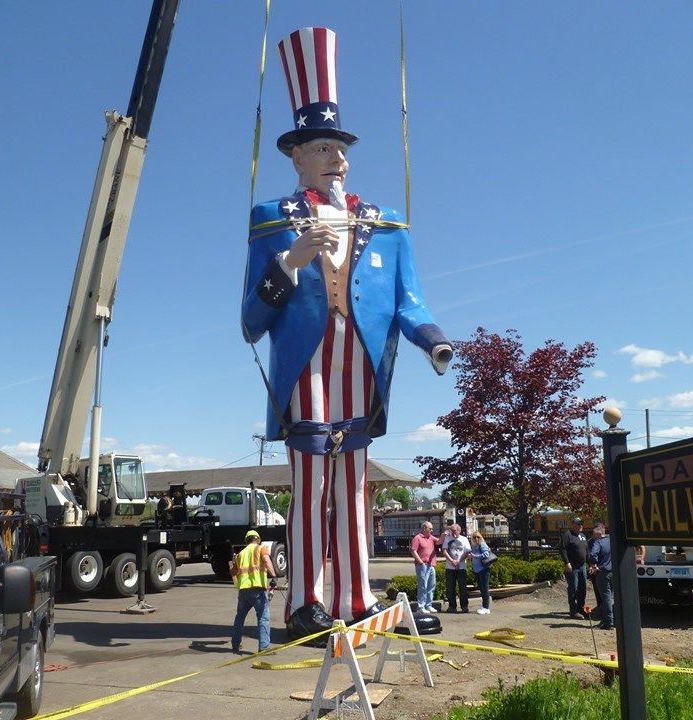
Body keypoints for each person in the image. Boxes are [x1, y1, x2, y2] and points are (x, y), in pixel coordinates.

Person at [241, 27, 453, 641]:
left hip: (359, 370)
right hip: (305, 372)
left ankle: (357, 597)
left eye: (341, 147)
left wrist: (433, 339)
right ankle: (304, 602)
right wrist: (290, 262)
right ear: (297, 157)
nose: (338, 159)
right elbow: (251, 321)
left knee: (355, 489)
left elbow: (410, 299)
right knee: (309, 489)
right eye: (324, 147)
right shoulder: (272, 221)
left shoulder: (385, 223)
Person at [231, 529, 278, 654]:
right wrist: (274, 576)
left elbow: (233, 572)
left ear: (247, 540)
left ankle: (235, 644)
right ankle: (264, 647)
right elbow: (267, 561)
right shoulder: (261, 549)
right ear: (257, 539)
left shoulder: (240, 554)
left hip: (243, 591)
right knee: (263, 618)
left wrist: (233, 562)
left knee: (239, 618)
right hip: (258, 590)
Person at [557, 517, 588, 619]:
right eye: (578, 524)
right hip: (573, 566)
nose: (580, 526)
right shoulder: (568, 535)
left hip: (582, 566)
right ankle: (573, 611)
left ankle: (580, 609)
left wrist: (591, 563)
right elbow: (562, 549)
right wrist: (567, 563)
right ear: (573, 525)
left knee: (582, 588)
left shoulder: (583, 536)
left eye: (581, 524)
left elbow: (586, 551)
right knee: (573, 588)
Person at [588, 523, 613, 630]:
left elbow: (593, 554)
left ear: (598, 534)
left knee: (606, 597)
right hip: (613, 572)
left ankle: (608, 622)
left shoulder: (598, 542)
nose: (593, 537)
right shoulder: (611, 540)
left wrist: (594, 566)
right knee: (610, 597)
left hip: (603, 572)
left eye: (594, 534)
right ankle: (611, 619)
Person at [411, 521, 440, 613]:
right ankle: (421, 607)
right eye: (430, 529)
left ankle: (428, 605)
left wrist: (444, 535)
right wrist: (420, 562)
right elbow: (413, 551)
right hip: (422, 565)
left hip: (431, 565)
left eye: (432, 529)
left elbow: (439, 542)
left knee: (431, 585)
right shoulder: (417, 538)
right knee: (423, 586)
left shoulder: (431, 537)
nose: (432, 530)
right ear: (424, 528)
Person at [442, 524, 471, 613]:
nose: (453, 533)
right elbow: (444, 551)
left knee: (463, 588)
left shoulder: (464, 539)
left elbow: (466, 552)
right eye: (451, 531)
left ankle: (464, 606)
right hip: (450, 567)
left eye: (454, 531)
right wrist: (452, 561)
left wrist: (458, 561)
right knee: (450, 588)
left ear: (459, 531)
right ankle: (452, 606)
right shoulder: (447, 538)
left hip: (461, 567)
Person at [469, 531, 493, 615]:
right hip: (477, 570)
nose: (476, 539)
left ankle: (486, 607)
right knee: (482, 589)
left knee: (485, 588)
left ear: (481, 537)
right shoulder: (473, 546)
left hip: (484, 569)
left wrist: (475, 556)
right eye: (474, 537)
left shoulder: (482, 544)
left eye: (478, 537)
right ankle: (484, 606)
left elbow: (486, 554)